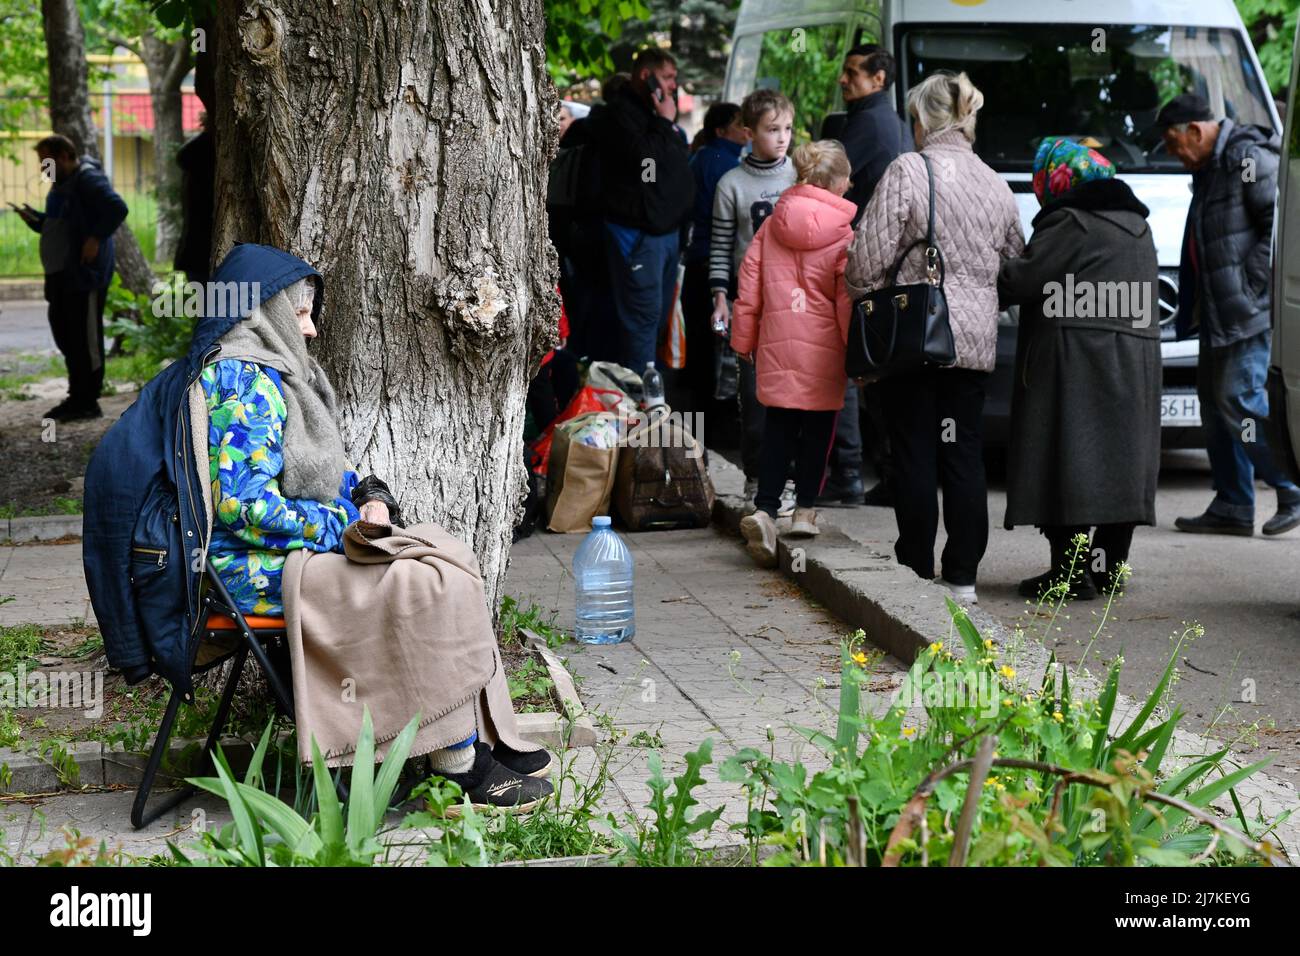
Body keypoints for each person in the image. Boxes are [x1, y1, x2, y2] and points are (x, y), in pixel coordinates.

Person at [198, 245, 553, 812]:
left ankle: (483, 738)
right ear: (262, 312)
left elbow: (316, 471)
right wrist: (341, 523)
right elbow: (245, 508)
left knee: (447, 558)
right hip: (242, 568)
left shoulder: (273, 375)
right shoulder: (243, 382)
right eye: (302, 314)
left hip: (281, 552)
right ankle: (457, 765)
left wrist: (367, 495)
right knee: (419, 584)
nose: (312, 331)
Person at [846, 72, 1024, 604]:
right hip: (971, 348)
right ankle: (964, 576)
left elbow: (865, 264)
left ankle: (915, 566)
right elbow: (1014, 264)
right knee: (962, 454)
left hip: (915, 341)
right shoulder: (994, 181)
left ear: (921, 120)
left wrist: (874, 295)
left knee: (914, 452)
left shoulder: (909, 169)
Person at [998, 137, 1161, 599]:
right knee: (1120, 464)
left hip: (1076, 362)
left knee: (1065, 457)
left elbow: (1020, 279)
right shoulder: (1137, 224)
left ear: (1057, 179)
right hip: (1136, 359)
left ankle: (1068, 575)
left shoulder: (1072, 222)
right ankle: (1107, 568)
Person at [1156, 93, 1300, 537]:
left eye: (1174, 144)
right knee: (1216, 408)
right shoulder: (1211, 165)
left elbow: (1277, 226)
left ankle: (1290, 485)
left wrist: (1249, 286)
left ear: (1196, 132)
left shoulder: (1245, 157)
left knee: (1240, 402)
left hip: (1244, 309)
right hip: (1216, 310)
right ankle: (1233, 504)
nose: (1175, 156)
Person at [732, 141, 856, 566]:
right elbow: (846, 301)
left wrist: (743, 340)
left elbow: (749, 288)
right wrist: (855, 354)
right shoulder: (842, 232)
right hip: (824, 350)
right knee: (818, 432)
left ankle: (766, 509)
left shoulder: (771, 225)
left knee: (779, 427)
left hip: (777, 341)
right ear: (839, 183)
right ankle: (804, 509)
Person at [822, 44, 916, 509]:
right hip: (892, 263)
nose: (844, 80)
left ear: (878, 79)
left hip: (868, 261)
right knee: (882, 372)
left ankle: (860, 473)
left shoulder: (868, 124)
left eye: (853, 73)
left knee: (863, 372)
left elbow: (828, 179)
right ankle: (892, 470)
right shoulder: (890, 121)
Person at [709, 88, 797, 506]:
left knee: (795, 394)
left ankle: (791, 480)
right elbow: (722, 244)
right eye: (772, 129)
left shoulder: (799, 177)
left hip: (796, 304)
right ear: (748, 133)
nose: (782, 138)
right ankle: (757, 477)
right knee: (755, 395)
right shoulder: (732, 184)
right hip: (751, 303)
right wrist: (720, 295)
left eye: (788, 129)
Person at [587, 50, 694, 372]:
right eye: (668, 77)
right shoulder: (618, 115)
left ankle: (646, 398)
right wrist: (663, 122)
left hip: (665, 234)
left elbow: (672, 160)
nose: (674, 85)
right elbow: (646, 163)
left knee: (657, 320)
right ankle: (641, 408)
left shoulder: (654, 113)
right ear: (647, 76)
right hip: (639, 236)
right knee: (643, 321)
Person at [16, 134, 128, 422]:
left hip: (83, 276)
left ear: (65, 156)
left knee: (84, 340)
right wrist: (36, 221)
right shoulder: (62, 184)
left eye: (48, 161)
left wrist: (95, 238)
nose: (44, 168)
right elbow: (61, 225)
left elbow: (117, 208)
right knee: (66, 334)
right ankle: (76, 396)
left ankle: (87, 401)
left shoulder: (88, 179)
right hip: (61, 275)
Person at [682, 101, 745, 417]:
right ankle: (716, 419)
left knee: (700, 344)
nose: (746, 128)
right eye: (739, 123)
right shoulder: (728, 165)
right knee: (717, 343)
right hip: (715, 262)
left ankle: (698, 416)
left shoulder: (701, 157)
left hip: (697, 260)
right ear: (721, 131)